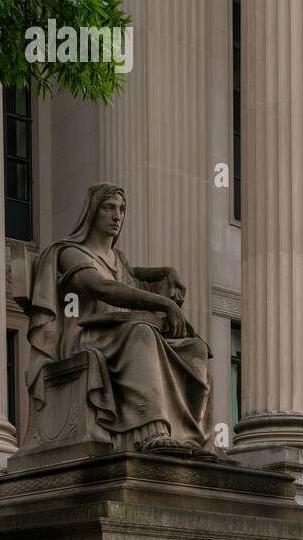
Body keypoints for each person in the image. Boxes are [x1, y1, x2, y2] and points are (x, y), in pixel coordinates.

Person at [25, 183, 211, 452]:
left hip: (114, 336)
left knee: (195, 348)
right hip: (82, 337)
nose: (117, 216)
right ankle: (149, 432)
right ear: (92, 212)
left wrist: (166, 272)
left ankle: (190, 438)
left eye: (122, 209)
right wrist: (164, 303)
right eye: (109, 208)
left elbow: (133, 278)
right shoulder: (70, 253)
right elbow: (104, 288)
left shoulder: (118, 259)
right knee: (141, 333)